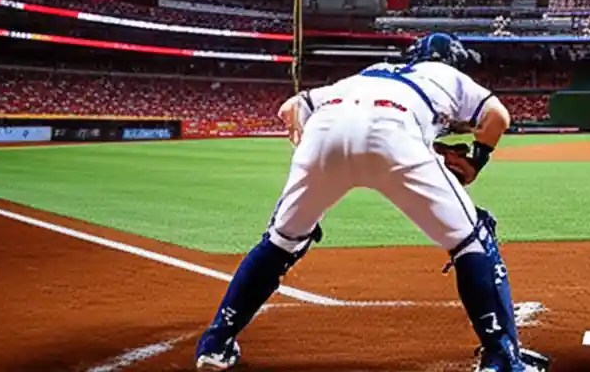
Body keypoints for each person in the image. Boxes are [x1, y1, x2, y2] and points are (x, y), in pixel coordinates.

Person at [194, 33, 549, 372]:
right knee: (473, 238)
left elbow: (291, 108)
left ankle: (216, 344)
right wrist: (475, 161)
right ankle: (502, 356)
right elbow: (498, 117)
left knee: (281, 240)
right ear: (453, 60)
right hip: (392, 132)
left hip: (326, 129)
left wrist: (313, 157)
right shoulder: (447, 74)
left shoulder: (370, 72)